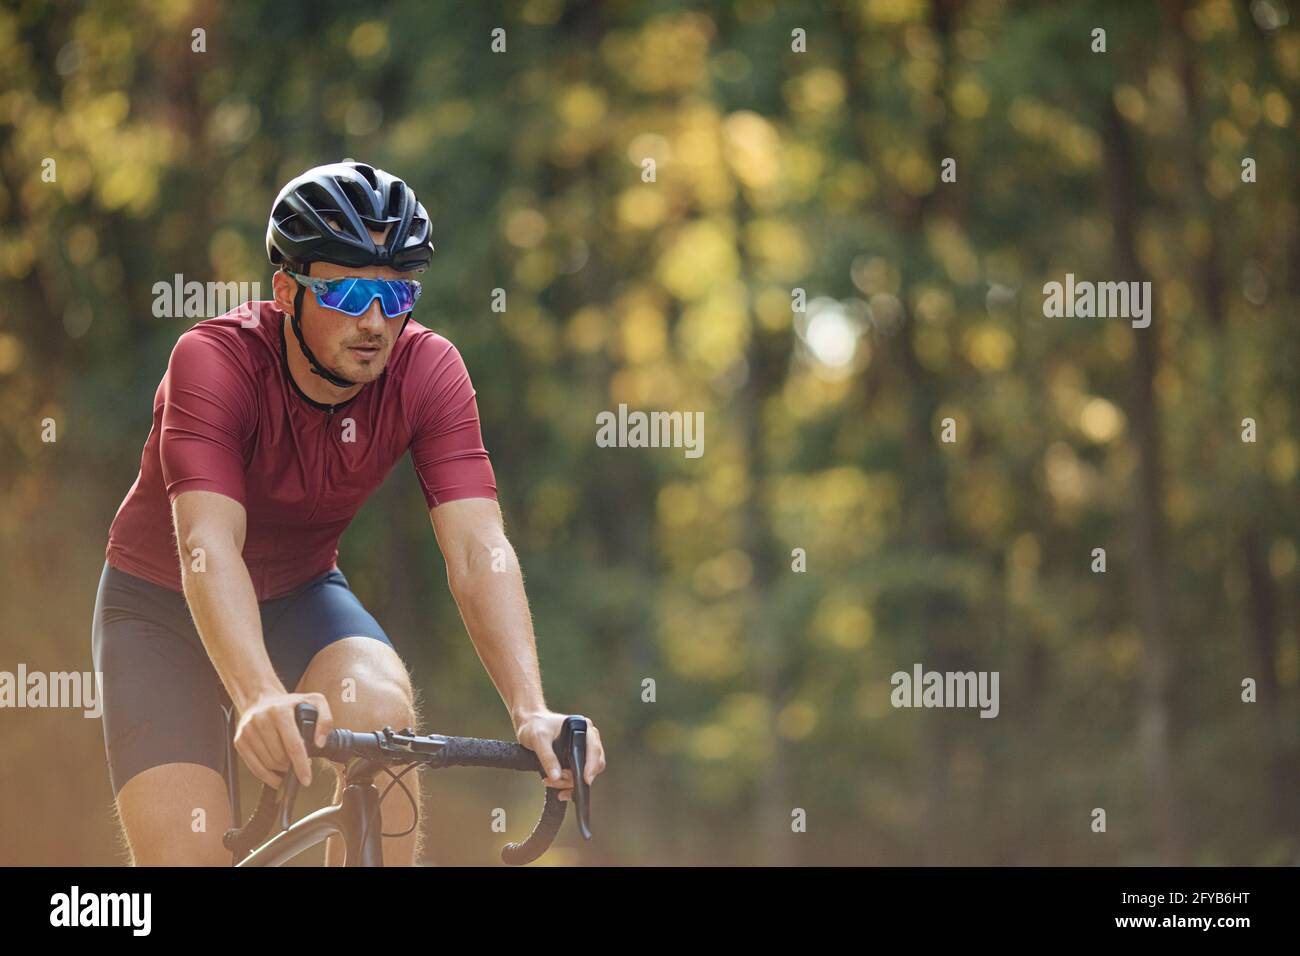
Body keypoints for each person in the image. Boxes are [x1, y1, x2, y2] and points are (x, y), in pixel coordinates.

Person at [91, 160, 604, 865]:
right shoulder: (213, 361)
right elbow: (206, 544)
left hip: (301, 596)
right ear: (285, 289)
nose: (374, 322)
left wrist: (530, 709)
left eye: (397, 297)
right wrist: (260, 694)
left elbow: (478, 551)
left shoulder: (429, 371)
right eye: (349, 291)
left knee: (382, 716)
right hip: (161, 609)